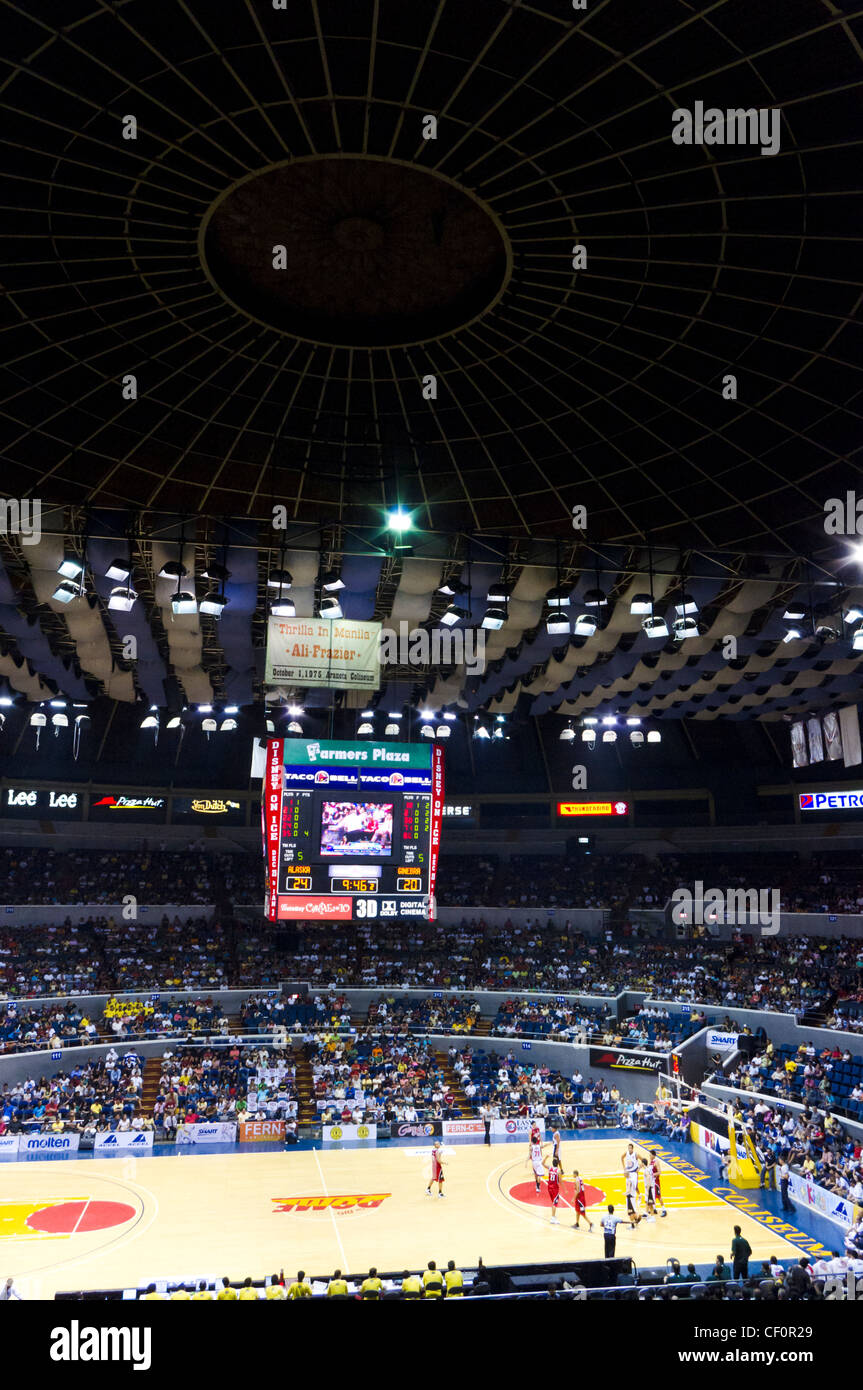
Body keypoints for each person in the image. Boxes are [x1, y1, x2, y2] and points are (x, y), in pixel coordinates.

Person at [622, 1142, 641, 1224]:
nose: (629, 1149)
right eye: (628, 1148)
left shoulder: (636, 1154)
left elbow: (643, 1160)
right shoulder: (626, 1153)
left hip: (634, 1173)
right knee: (630, 1186)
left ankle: (637, 1194)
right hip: (629, 1172)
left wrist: (639, 1168)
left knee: (633, 1187)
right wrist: (624, 1168)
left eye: (630, 1148)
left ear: (632, 1149)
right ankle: (636, 1217)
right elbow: (621, 1157)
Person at [546, 1155, 562, 1224]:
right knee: (555, 1203)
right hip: (555, 1188)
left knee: (553, 1203)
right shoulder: (558, 1171)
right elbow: (560, 1181)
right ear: (558, 1164)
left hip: (549, 1187)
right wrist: (565, 1189)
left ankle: (553, 1216)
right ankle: (552, 1218)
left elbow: (542, 1163)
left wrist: (546, 1157)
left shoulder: (550, 1168)